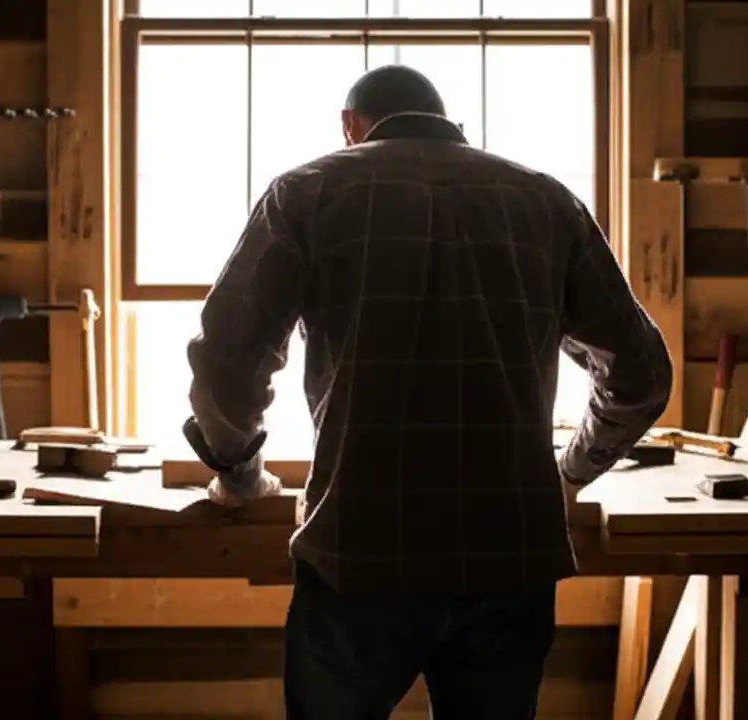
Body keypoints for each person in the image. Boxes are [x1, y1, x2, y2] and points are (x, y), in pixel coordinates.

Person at [185, 65, 672, 719]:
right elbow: (641, 375)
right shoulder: (546, 202)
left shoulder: (306, 193)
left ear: (350, 126)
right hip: (509, 554)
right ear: (451, 123)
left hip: (359, 548)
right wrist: (571, 472)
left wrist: (240, 471)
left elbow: (226, 364)